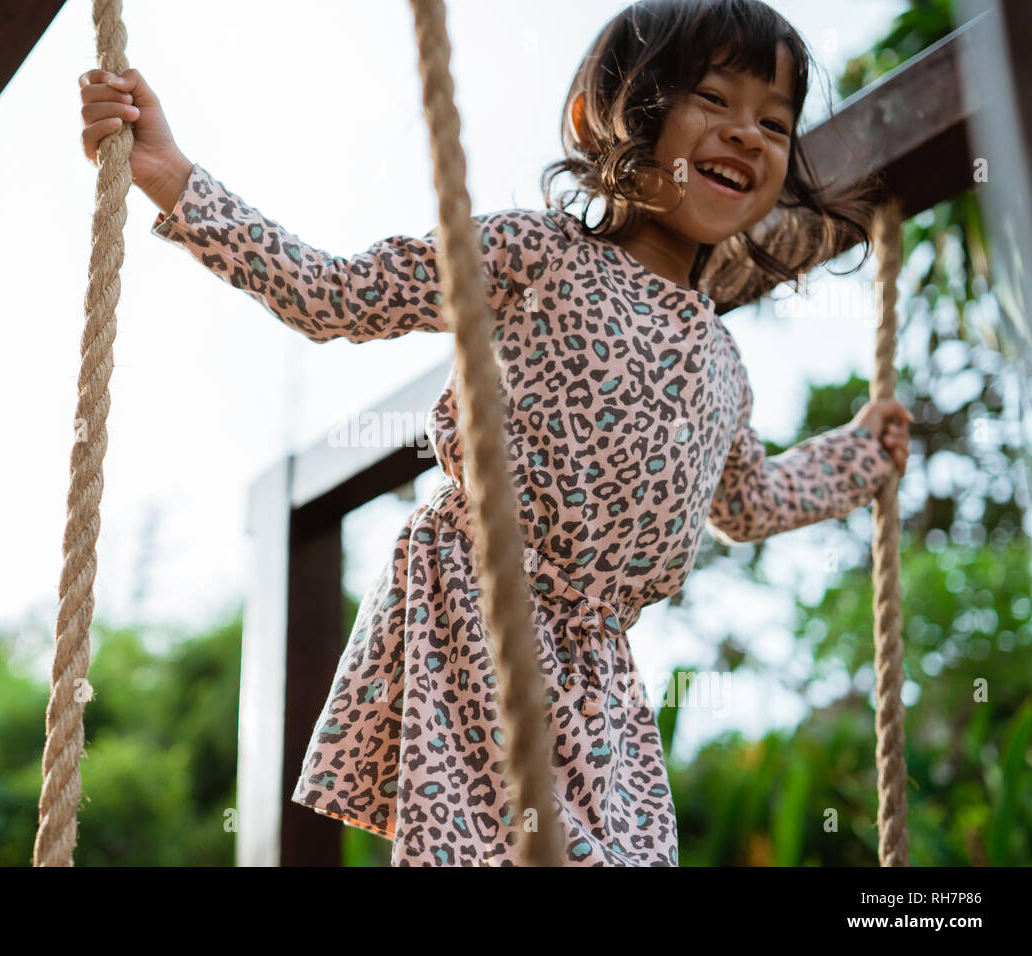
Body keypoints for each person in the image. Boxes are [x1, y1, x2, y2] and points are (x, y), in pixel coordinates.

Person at [76, 0, 914, 866]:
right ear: (609, 116)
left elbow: (748, 500)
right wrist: (175, 177)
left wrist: (858, 455)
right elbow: (337, 293)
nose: (747, 134)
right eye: (714, 98)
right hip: (482, 611)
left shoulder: (724, 364)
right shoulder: (538, 257)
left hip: (599, 683)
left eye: (774, 123)